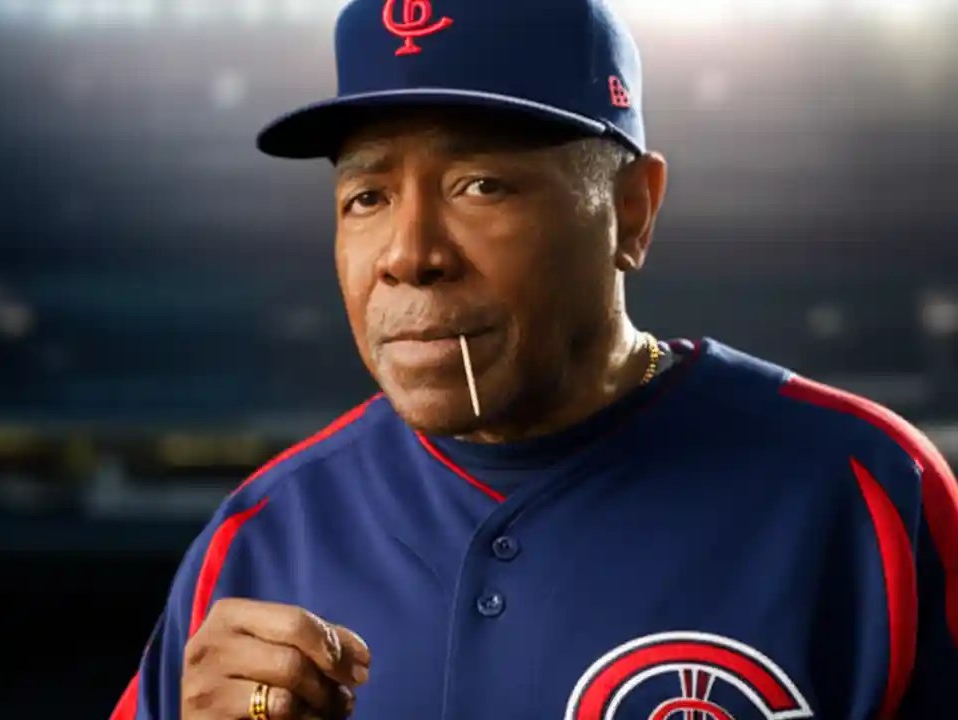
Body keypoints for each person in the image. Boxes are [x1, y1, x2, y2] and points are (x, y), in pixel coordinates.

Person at [109, 0, 958, 717]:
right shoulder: (258, 537)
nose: (409, 254)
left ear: (632, 211)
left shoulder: (866, 490)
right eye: (366, 197)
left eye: (481, 185)